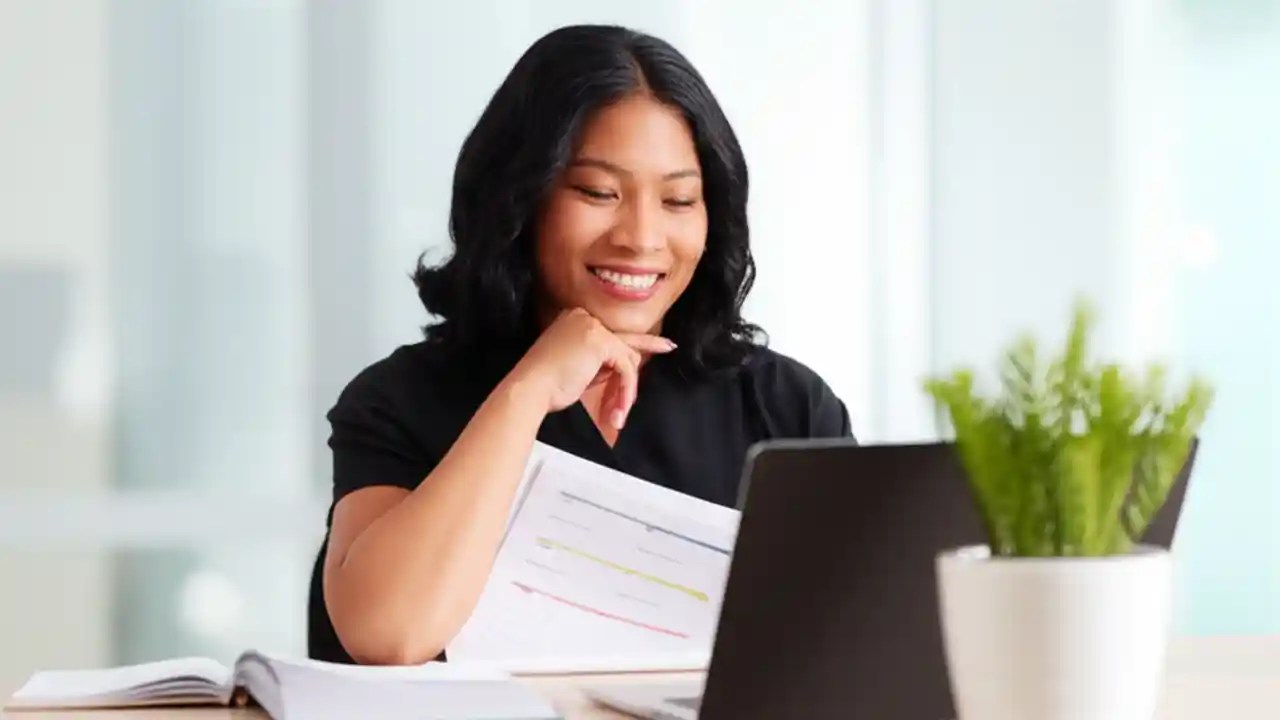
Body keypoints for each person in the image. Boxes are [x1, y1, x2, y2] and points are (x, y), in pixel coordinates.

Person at [309, 24, 853, 666]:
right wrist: (527, 391)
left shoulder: (787, 409)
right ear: (520, 197)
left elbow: (848, 656)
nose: (642, 237)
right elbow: (390, 634)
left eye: (679, 199)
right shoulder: (401, 399)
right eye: (598, 193)